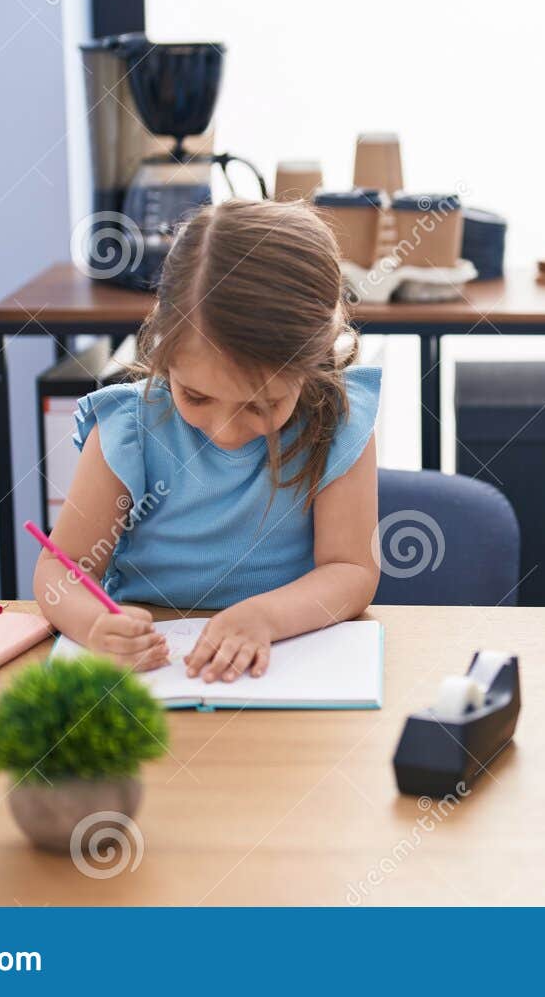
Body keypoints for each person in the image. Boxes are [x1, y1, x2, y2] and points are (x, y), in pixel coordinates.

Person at [36, 200, 381, 680]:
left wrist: (265, 616)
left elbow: (352, 571)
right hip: (150, 675)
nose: (225, 430)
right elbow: (62, 569)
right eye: (195, 396)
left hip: (288, 663)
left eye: (260, 406)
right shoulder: (128, 427)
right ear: (161, 343)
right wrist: (94, 625)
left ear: (314, 357)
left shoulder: (338, 422)